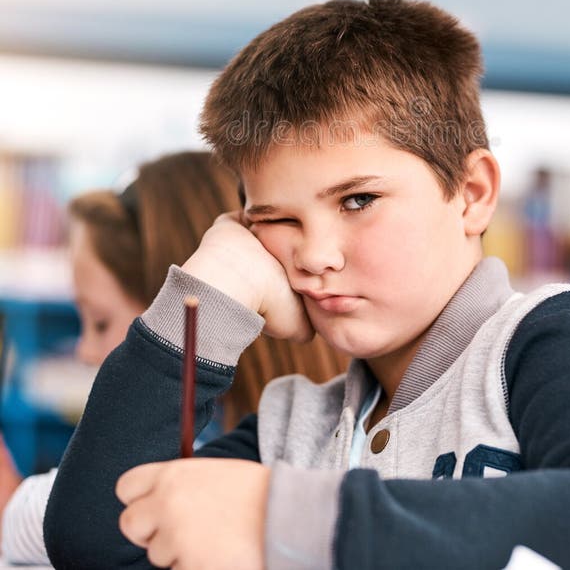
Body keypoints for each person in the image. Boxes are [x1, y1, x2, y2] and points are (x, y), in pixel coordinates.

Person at [44, 0, 570, 570]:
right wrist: (208, 295)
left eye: (358, 200)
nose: (315, 256)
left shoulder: (544, 340)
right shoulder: (294, 424)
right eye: (276, 219)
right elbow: (97, 540)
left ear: (472, 194)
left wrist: (287, 521)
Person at [0, 151, 346, 565]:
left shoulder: (254, 453)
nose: (84, 350)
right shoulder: (272, 434)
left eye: (100, 321)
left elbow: (47, 518)